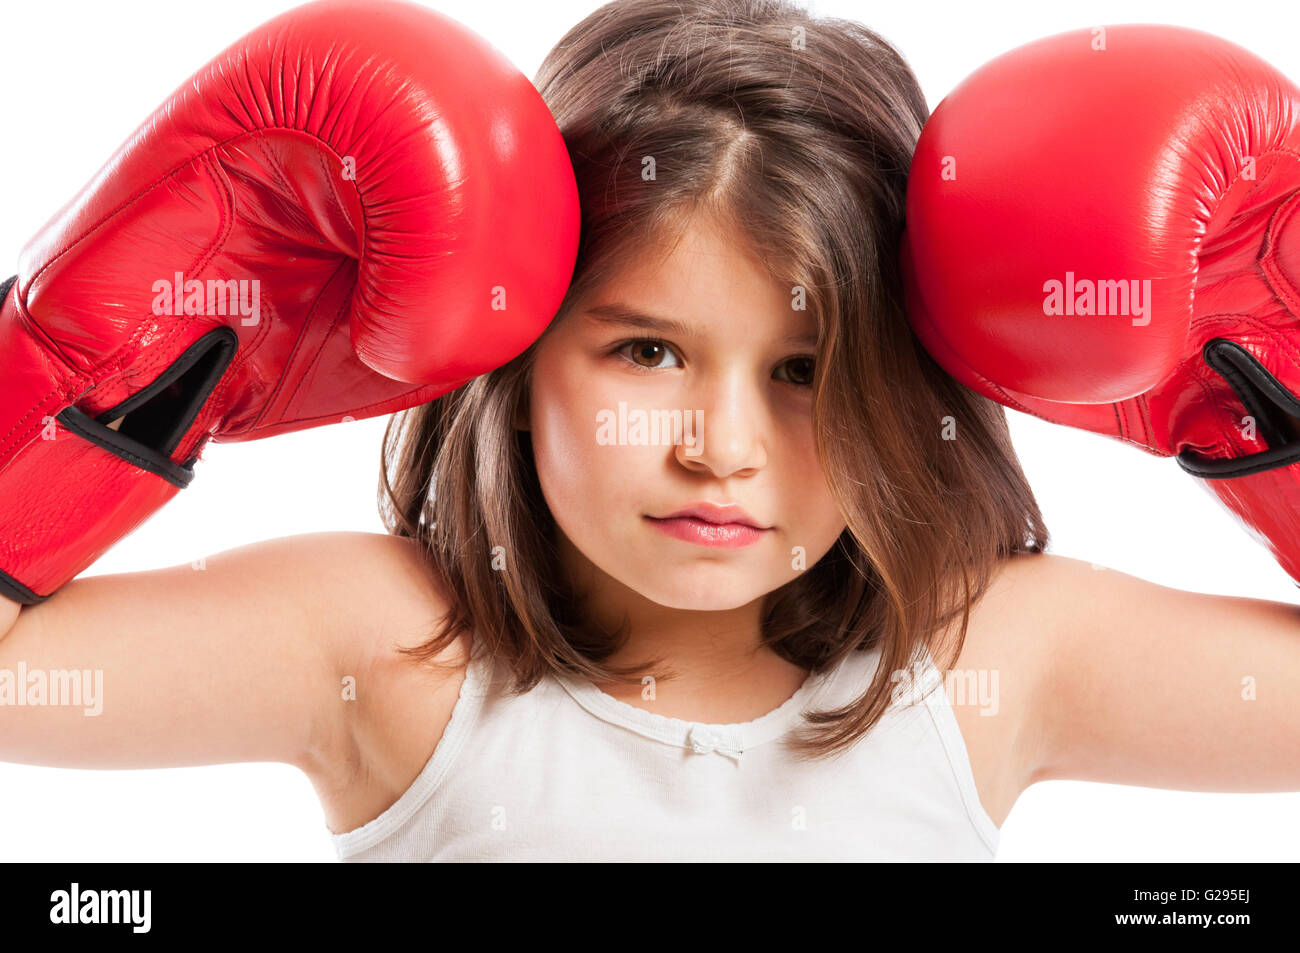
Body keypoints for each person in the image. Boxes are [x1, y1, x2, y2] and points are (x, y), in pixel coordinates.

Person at [3, 0, 1298, 862]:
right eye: (647, 350)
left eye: (807, 369)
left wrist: (1278, 410)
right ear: (518, 351)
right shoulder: (385, 642)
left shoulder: (984, 658)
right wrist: (87, 385)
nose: (717, 444)